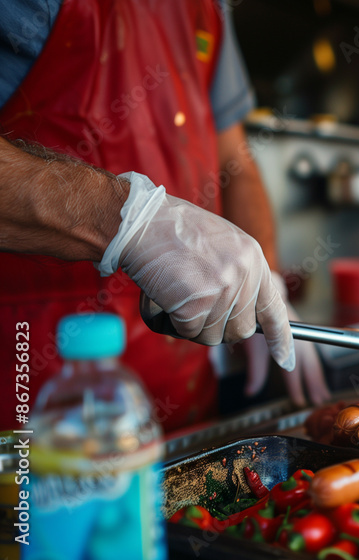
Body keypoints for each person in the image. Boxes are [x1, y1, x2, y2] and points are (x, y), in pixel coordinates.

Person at [0, 0, 330, 432]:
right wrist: (128, 220)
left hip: (181, 387)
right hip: (28, 381)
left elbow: (236, 161)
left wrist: (263, 280)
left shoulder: (209, 10)